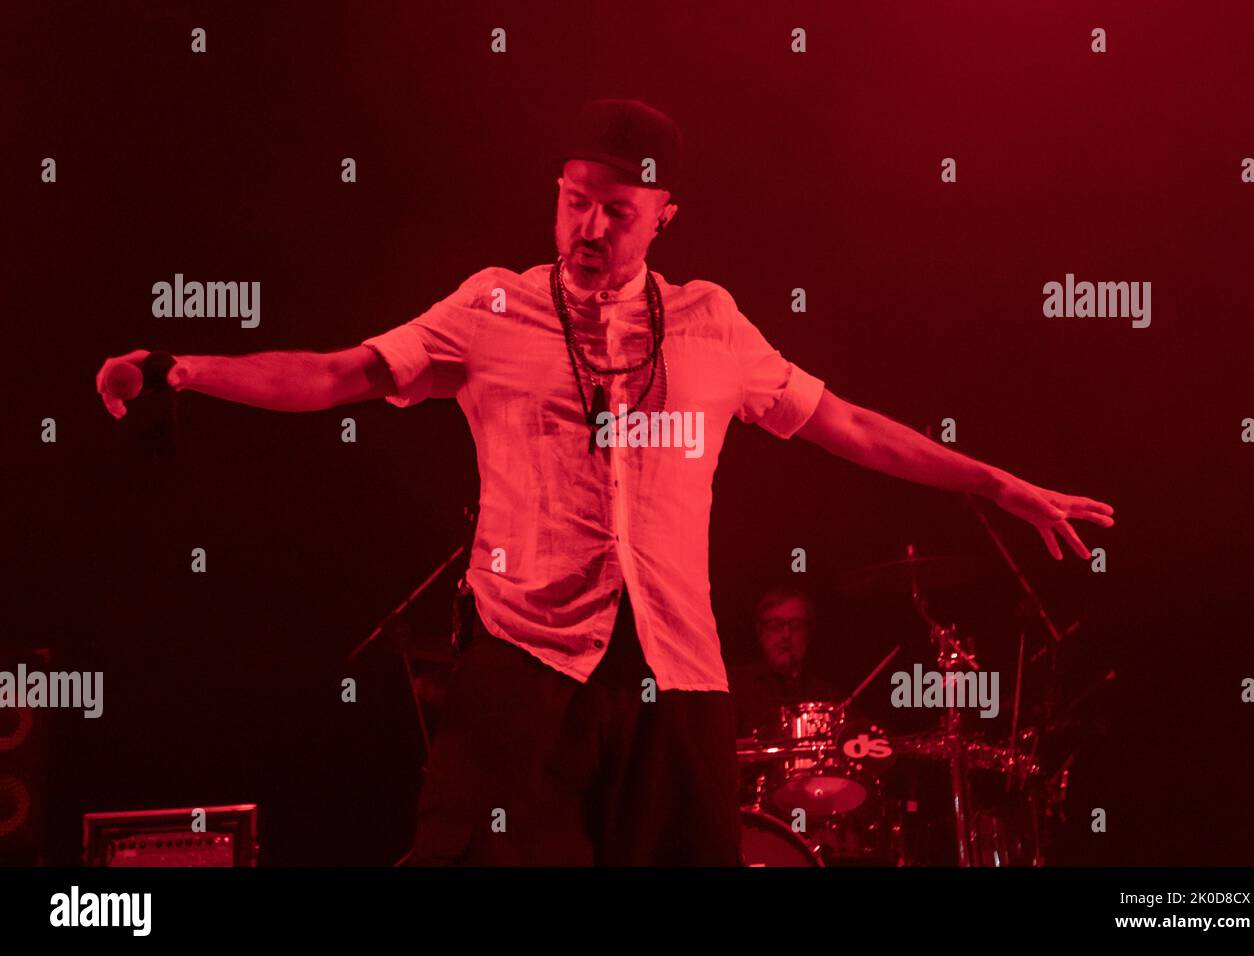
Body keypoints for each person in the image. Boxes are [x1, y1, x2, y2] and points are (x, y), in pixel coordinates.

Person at [95, 98, 1114, 866]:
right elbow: (339, 371)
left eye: (615, 211)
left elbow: (843, 422)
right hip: (524, 658)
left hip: (674, 670)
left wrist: (997, 484)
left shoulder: (714, 321)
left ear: (664, 216)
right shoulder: (492, 307)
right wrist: (182, 369)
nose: (586, 228)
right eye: (573, 201)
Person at [730, 585, 839, 739]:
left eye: (796, 626)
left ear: (808, 634)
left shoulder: (827, 694)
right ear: (760, 632)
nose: (786, 635)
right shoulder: (734, 687)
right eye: (775, 625)